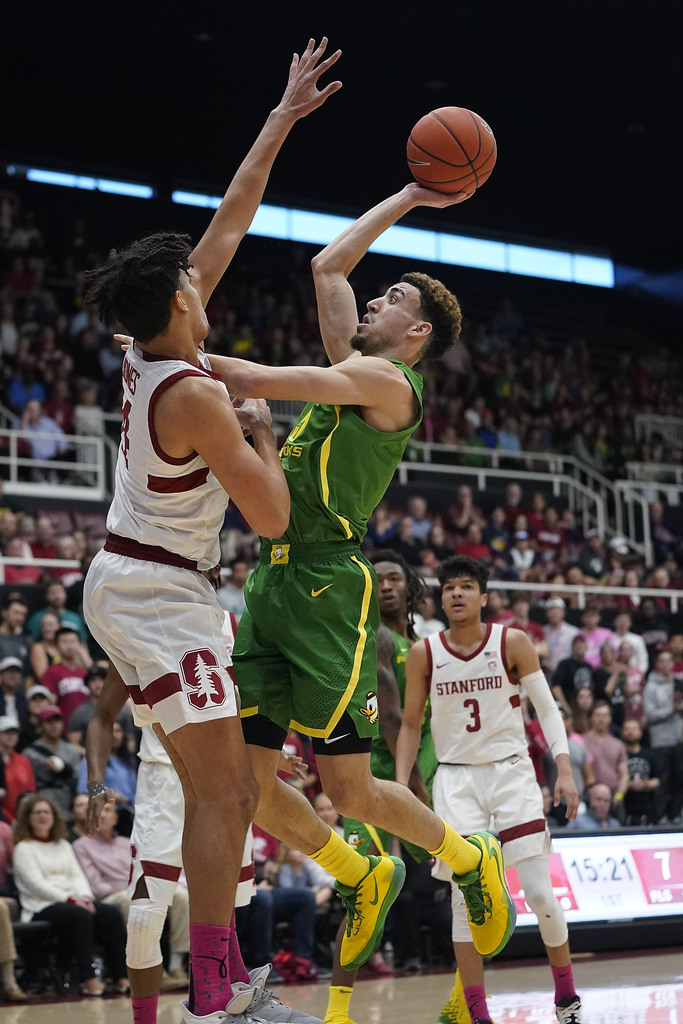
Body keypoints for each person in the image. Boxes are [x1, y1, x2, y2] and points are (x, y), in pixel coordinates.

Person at [81, 37, 340, 1024]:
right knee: (226, 792)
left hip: (143, 579)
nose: (202, 276)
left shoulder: (145, 346)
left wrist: (280, 115)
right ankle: (215, 992)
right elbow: (270, 515)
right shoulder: (192, 396)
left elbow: (229, 217)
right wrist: (262, 435)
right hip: (157, 591)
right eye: (192, 278)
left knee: (223, 789)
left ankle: (215, 984)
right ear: (181, 301)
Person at [222, 181, 514, 976]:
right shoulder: (357, 362)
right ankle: (359, 872)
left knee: (348, 791)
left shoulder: (391, 384)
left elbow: (254, 376)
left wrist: (168, 355)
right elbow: (326, 266)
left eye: (390, 296)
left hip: (327, 586)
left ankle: (467, 856)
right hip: (271, 582)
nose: (372, 297)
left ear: (415, 331)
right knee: (245, 785)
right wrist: (414, 194)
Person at [86, 637, 322, 1023]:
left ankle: (214, 1010)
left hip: (222, 779)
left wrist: (271, 755)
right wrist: (96, 784)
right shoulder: (136, 626)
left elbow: (234, 713)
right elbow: (102, 716)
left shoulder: (227, 628)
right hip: (163, 780)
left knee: (217, 908)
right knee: (145, 918)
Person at [396, 555, 582, 1024]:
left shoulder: (512, 642)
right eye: (448, 588)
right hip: (455, 780)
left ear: (483, 597)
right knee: (464, 900)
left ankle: (566, 998)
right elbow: (410, 724)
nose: (455, 594)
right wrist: (399, 787)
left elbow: (548, 708)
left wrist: (564, 768)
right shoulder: (425, 653)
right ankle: (478, 1013)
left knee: (539, 894)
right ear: (441, 598)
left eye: (465, 587)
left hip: (511, 774)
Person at [324, 549, 435, 1024]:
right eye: (379, 579)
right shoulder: (378, 638)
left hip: (425, 764)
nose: (386, 586)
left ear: (410, 587)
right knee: (362, 891)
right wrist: (418, 794)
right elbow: (389, 718)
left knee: (448, 885)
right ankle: (337, 1009)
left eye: (394, 579)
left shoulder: (429, 645)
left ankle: (464, 998)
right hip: (375, 769)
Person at [12, 793, 128, 995]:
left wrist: (85, 897)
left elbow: (78, 876)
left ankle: (121, 976)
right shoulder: (23, 848)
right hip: (41, 906)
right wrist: (71, 899)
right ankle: (88, 978)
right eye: (37, 812)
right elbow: (36, 884)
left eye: (46, 812)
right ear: (28, 818)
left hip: (74, 901)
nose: (42, 816)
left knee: (110, 913)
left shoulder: (64, 845)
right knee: (80, 916)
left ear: (54, 816)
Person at [24, 704, 81, 822]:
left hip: (67, 803)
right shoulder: (30, 753)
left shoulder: (71, 751)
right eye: (48, 721)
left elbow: (77, 780)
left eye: (57, 720)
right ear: (40, 725)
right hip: (43, 803)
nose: (54, 725)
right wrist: (46, 767)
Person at [582, 701, 629, 814]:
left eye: (605, 715)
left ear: (610, 719)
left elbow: (625, 775)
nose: (601, 719)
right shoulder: (581, 741)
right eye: (598, 715)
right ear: (591, 718)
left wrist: (619, 796)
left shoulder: (618, 744)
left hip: (613, 798)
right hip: (589, 798)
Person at [622, 718, 661, 825]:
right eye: (627, 729)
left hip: (648, 806)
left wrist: (645, 784)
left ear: (641, 732)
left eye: (634, 729)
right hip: (626, 805)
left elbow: (658, 780)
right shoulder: (620, 754)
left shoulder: (649, 754)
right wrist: (629, 785)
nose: (630, 732)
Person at [543, 597, 579, 676]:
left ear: (563, 612)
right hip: (547, 674)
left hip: (568, 674)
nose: (554, 613)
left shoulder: (573, 632)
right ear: (547, 613)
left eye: (557, 610)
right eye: (551, 610)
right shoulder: (543, 631)